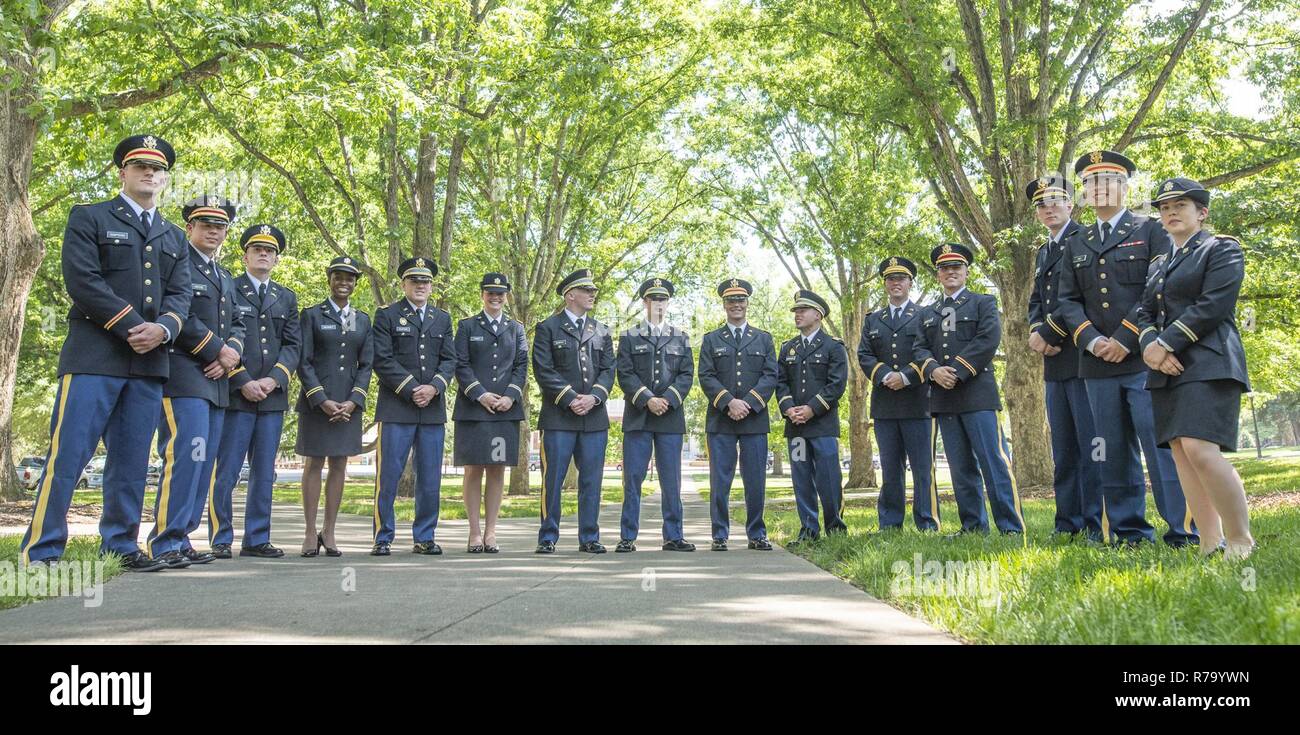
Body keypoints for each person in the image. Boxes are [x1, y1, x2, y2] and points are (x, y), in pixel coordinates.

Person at [20, 134, 189, 572]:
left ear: (165, 178)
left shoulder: (174, 235)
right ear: (123, 172)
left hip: (150, 364)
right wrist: (135, 326)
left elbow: (181, 295)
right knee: (69, 455)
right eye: (140, 167)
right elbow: (82, 280)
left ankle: (120, 545)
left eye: (157, 169)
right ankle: (42, 551)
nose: (149, 174)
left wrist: (164, 329)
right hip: (94, 357)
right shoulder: (90, 217)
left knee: (132, 461)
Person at [1056, 150, 1196, 548]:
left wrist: (1123, 338)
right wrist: (1092, 340)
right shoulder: (1076, 240)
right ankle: (1129, 531)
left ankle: (1183, 530)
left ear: (1124, 186)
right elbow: (1067, 300)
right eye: (1090, 183)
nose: (1098, 189)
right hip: (1096, 364)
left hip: (1143, 359)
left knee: (1161, 446)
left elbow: (1156, 287)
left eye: (1107, 181)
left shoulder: (1150, 229)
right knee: (1109, 451)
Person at [1138, 177, 1253, 559]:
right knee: (1182, 453)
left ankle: (1239, 539)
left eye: (1180, 205)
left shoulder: (1221, 250)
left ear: (1202, 213)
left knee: (1201, 449)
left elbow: (1213, 305)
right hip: (1165, 367)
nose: (1170, 212)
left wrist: (1164, 344)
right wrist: (1149, 345)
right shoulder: (1159, 263)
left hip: (1210, 361)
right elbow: (1143, 312)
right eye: (1164, 207)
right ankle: (1208, 542)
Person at [145, 195, 245, 569]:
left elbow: (238, 323)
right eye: (206, 225)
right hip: (185, 374)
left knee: (203, 462)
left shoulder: (224, 276)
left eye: (220, 227)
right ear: (190, 227)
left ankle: (183, 535)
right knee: (185, 457)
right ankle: (164, 540)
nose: (214, 232)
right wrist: (216, 351)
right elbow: (176, 313)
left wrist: (229, 356)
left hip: (217, 381)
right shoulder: (176, 262)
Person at [915, 244, 1024, 535]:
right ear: (938, 275)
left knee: (994, 462)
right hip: (944, 398)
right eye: (944, 268)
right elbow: (918, 347)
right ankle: (973, 526)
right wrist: (933, 370)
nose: (951, 272)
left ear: (966, 272)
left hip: (977, 395)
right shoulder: (928, 312)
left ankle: (1011, 527)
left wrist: (957, 372)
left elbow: (988, 339)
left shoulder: (983, 303)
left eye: (956, 267)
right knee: (960, 467)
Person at [209, 224, 301, 559]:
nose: (264, 255)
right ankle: (220, 538)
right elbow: (221, 336)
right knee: (228, 470)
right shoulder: (229, 288)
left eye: (270, 251)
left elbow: (293, 345)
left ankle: (257, 538)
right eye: (257, 249)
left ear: (276, 259)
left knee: (265, 472)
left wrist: (274, 379)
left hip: (272, 398)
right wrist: (243, 379)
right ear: (245, 255)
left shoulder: (286, 297)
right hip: (236, 394)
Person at [1025, 175, 1103, 540]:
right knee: (1064, 449)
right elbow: (1036, 302)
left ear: (1071, 205)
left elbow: (1088, 297)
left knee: (1093, 446)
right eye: (1042, 204)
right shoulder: (1043, 252)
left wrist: (1050, 333)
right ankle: (1066, 522)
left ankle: (1095, 522)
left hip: (1084, 357)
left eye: (1056, 201)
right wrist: (1035, 330)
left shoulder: (1086, 239)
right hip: (1054, 363)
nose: (1048, 208)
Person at [370, 257, 456, 556]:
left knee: (430, 477)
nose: (421, 286)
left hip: (432, 409)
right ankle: (383, 536)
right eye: (415, 281)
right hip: (396, 408)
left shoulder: (442, 319)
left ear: (431, 286)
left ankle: (425, 536)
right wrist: (410, 388)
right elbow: (381, 358)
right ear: (404, 284)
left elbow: (449, 360)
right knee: (389, 476)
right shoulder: (387, 316)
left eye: (426, 282)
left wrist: (434, 387)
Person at [532, 269, 615, 554]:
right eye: (586, 290)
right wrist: (570, 398)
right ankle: (547, 536)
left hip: (593, 418)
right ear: (570, 295)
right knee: (552, 479)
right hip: (558, 417)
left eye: (593, 290)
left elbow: (608, 370)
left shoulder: (602, 330)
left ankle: (589, 537)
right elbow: (544, 370)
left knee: (592, 480)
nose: (592, 294)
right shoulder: (548, 328)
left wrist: (593, 398)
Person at [295, 256, 373, 557]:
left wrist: (354, 401)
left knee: (340, 464)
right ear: (329, 279)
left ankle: (329, 531)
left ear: (356, 283)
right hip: (317, 403)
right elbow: (303, 361)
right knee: (313, 463)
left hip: (348, 405)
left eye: (350, 278)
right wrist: (321, 399)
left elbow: (366, 365)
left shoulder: (363, 319)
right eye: (338, 276)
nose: (344, 282)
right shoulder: (313, 315)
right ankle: (309, 532)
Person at [856, 257, 938, 532]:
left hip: (918, 403)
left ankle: (927, 522)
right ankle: (890, 523)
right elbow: (864, 354)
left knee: (923, 469)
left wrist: (906, 376)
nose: (896, 283)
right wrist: (883, 375)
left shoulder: (926, 315)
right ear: (885, 284)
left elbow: (931, 352)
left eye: (901, 278)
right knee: (890, 469)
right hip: (885, 406)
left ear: (910, 283)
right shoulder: (873, 320)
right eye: (891, 279)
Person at [615, 278, 696, 552]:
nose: (659, 304)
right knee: (633, 479)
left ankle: (673, 535)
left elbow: (686, 375)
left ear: (668, 302)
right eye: (653, 299)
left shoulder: (681, 337)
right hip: (639, 417)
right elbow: (624, 374)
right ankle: (628, 537)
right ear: (645, 302)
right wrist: (648, 399)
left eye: (663, 299)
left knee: (671, 480)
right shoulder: (629, 336)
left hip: (670, 418)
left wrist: (668, 400)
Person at [698, 278, 778, 551]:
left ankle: (756, 533)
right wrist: (729, 402)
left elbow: (770, 376)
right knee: (720, 480)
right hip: (721, 419)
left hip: (755, 419)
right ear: (724, 305)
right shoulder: (711, 339)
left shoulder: (764, 339)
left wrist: (749, 403)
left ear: (747, 303)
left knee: (755, 480)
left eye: (741, 300)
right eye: (731, 300)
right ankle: (719, 534)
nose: (736, 305)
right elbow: (706, 376)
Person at [452, 272, 528, 554]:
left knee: (497, 470)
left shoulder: (516, 328)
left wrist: (510, 396)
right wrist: (480, 394)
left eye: (500, 293)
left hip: (505, 411)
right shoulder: (467, 326)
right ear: (482, 295)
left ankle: (491, 532)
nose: (495, 298)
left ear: (506, 296)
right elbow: (460, 364)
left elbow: (521, 366)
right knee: (473, 470)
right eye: (490, 293)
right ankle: (473, 532)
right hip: (474, 409)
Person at [777, 290, 848, 544]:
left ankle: (835, 527)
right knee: (801, 478)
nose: (797, 314)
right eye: (796, 311)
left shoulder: (833, 346)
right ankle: (808, 530)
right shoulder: (788, 348)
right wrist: (789, 409)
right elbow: (781, 382)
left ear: (817, 315)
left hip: (823, 425)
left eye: (802, 310)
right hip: (796, 428)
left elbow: (837, 384)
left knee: (829, 477)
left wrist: (811, 409)